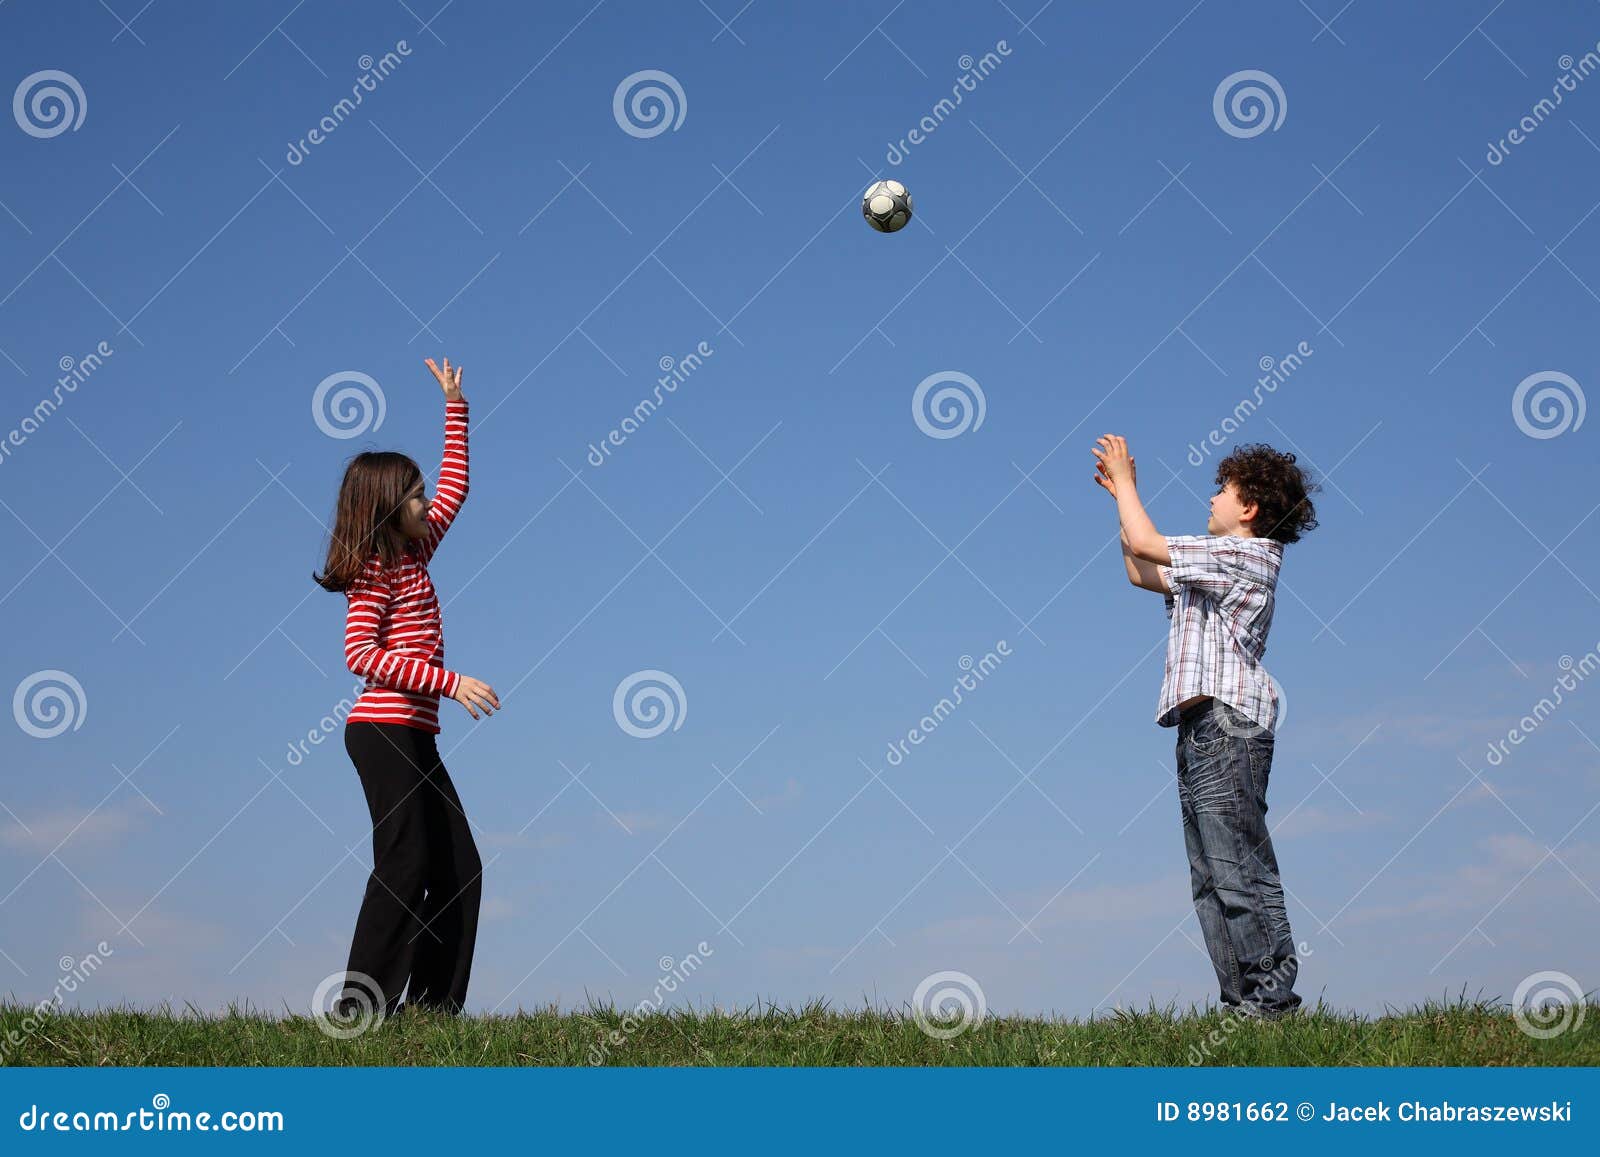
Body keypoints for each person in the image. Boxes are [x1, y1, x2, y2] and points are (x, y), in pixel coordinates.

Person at [1093, 435, 1318, 1020]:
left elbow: (1148, 542)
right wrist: (1121, 499)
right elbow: (1140, 568)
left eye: (1223, 490)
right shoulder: (1211, 566)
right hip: (1199, 727)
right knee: (1210, 876)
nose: (1212, 498)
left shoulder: (1248, 556)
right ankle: (1242, 1004)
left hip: (1228, 724)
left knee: (1239, 868)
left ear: (1249, 508)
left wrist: (1128, 486)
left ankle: (1271, 1002)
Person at [312, 356, 501, 1019]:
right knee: (405, 862)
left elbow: (457, 489)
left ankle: (430, 1009)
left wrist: (456, 407)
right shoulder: (373, 573)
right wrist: (450, 681)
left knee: (460, 868)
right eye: (415, 496)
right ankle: (359, 1006)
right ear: (389, 510)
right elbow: (360, 654)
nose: (427, 503)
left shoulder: (416, 553)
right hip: (381, 731)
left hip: (414, 735)